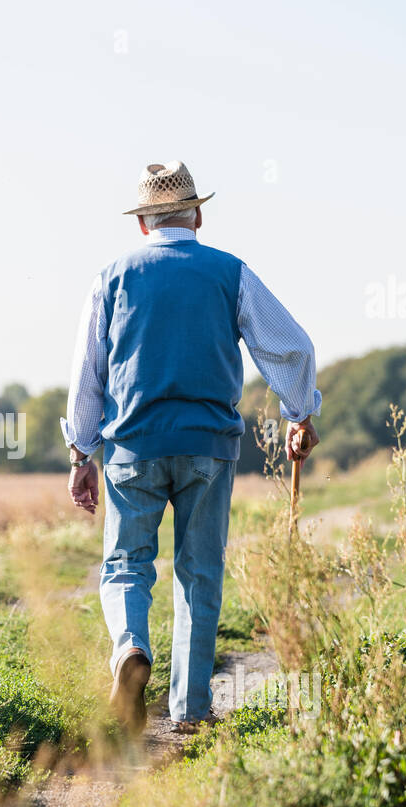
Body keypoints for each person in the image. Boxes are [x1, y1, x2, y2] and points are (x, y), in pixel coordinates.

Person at [61, 161, 321, 734]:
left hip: (133, 445)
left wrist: (81, 456)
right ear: (198, 214)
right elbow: (289, 347)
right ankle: (190, 712)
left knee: (127, 563)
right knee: (199, 573)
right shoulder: (230, 273)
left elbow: (88, 375)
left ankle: (131, 649)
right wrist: (298, 412)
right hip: (208, 448)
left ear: (143, 224)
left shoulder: (112, 276)